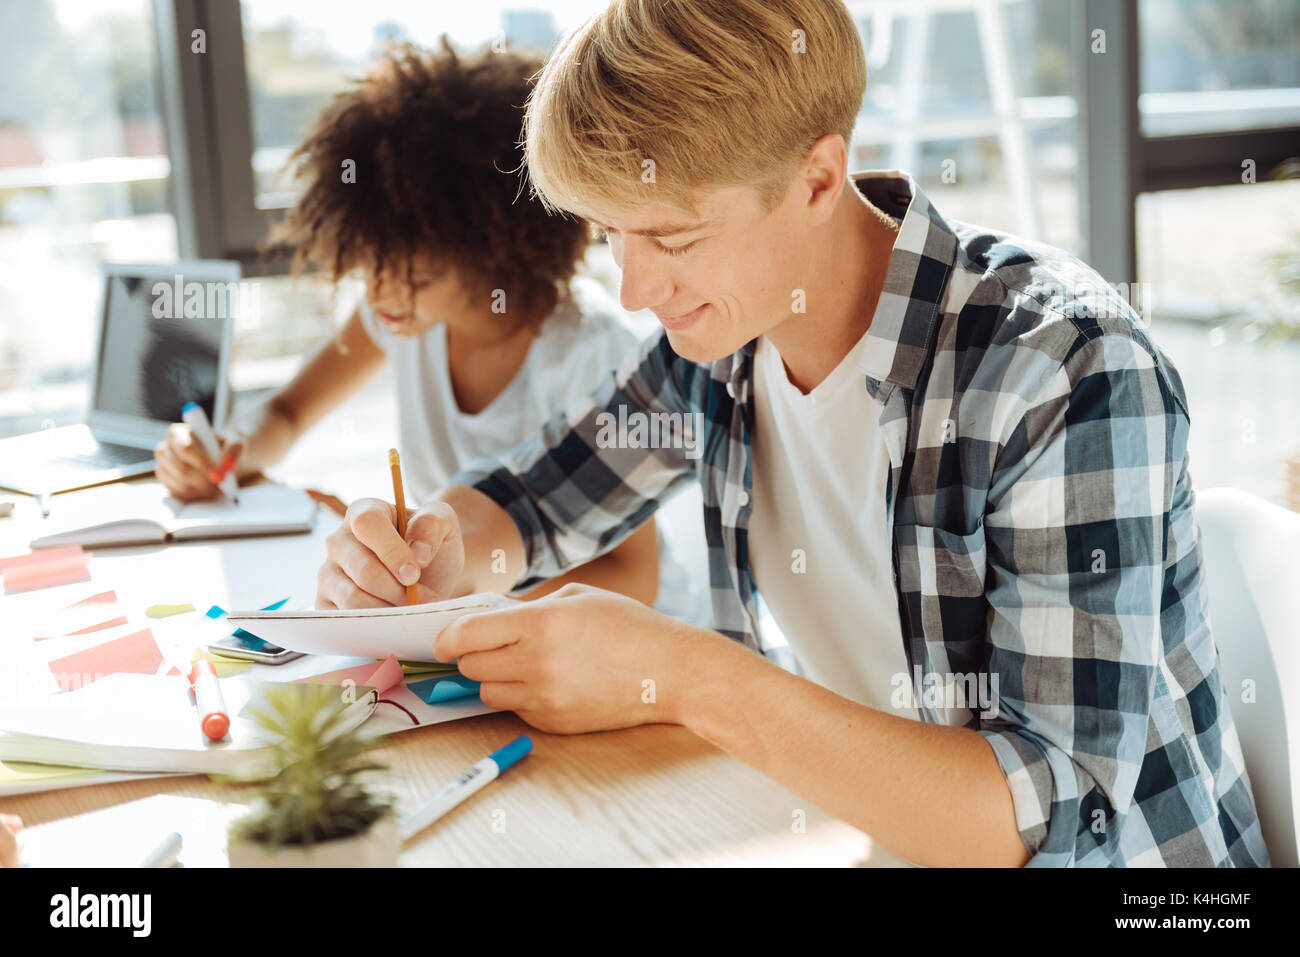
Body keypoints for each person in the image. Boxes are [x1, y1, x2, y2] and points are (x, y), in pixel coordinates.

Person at [316, 0, 1267, 867]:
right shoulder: (718, 339)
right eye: (611, 234)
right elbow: (537, 501)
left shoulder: (1060, 368)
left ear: (818, 176)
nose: (637, 289)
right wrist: (430, 548)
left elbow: (1053, 817)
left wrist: (683, 675)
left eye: (675, 239)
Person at [154, 42, 704, 619]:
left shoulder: (590, 353)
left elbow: (631, 576)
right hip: (475, 629)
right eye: (369, 265)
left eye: (415, 273)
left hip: (616, 642)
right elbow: (287, 414)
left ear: (496, 251)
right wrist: (228, 450)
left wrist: (455, 611)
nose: (378, 294)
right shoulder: (400, 318)